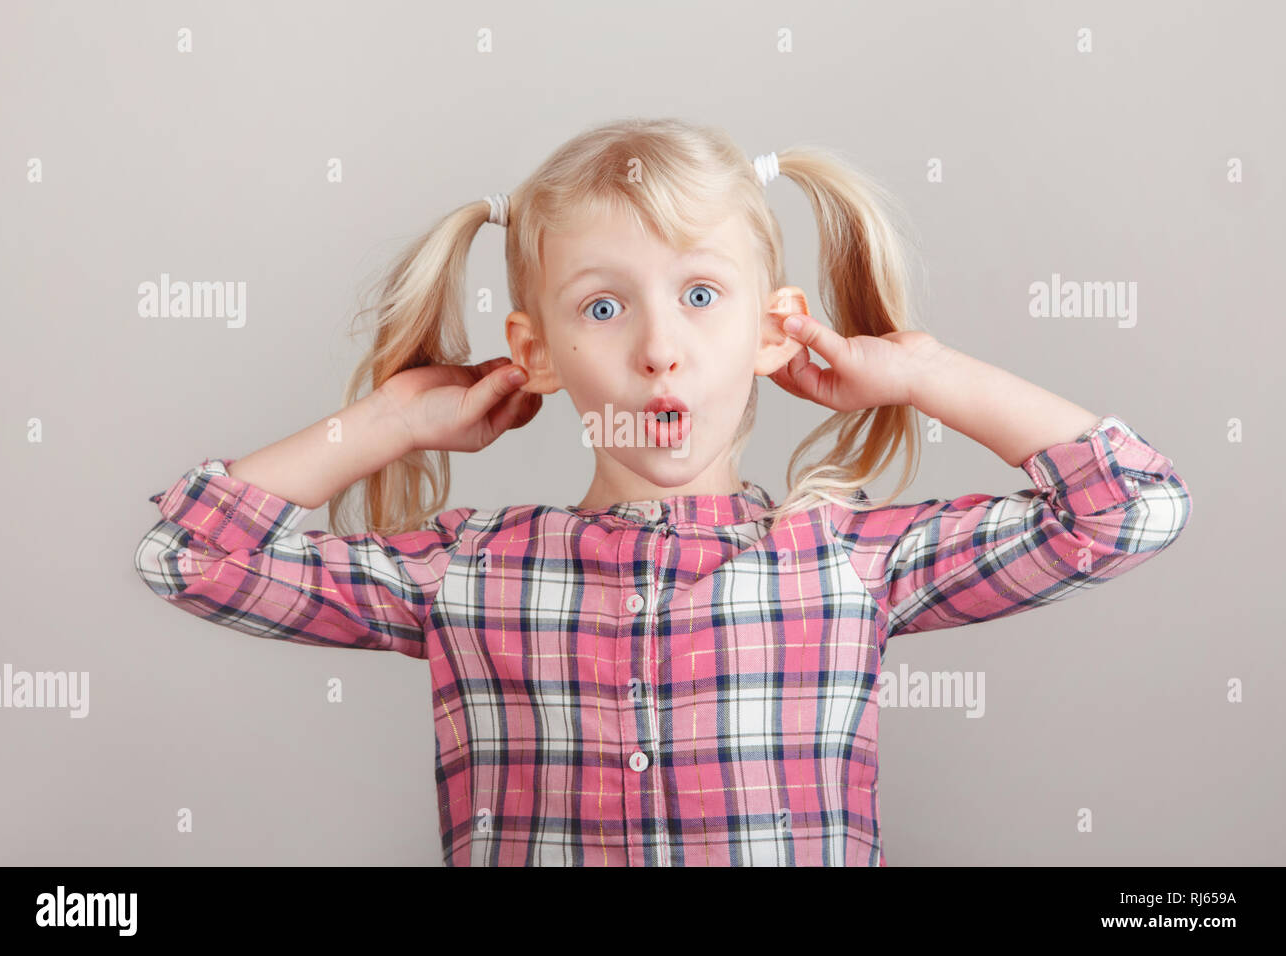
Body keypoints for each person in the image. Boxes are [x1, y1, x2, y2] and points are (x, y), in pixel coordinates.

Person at [134, 116, 1192, 866]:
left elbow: (1129, 502)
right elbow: (190, 554)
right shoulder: (469, 572)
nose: (659, 350)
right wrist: (397, 417)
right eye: (601, 308)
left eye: (699, 295)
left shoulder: (842, 561)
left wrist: (919, 370)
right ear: (535, 351)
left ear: (773, 330)